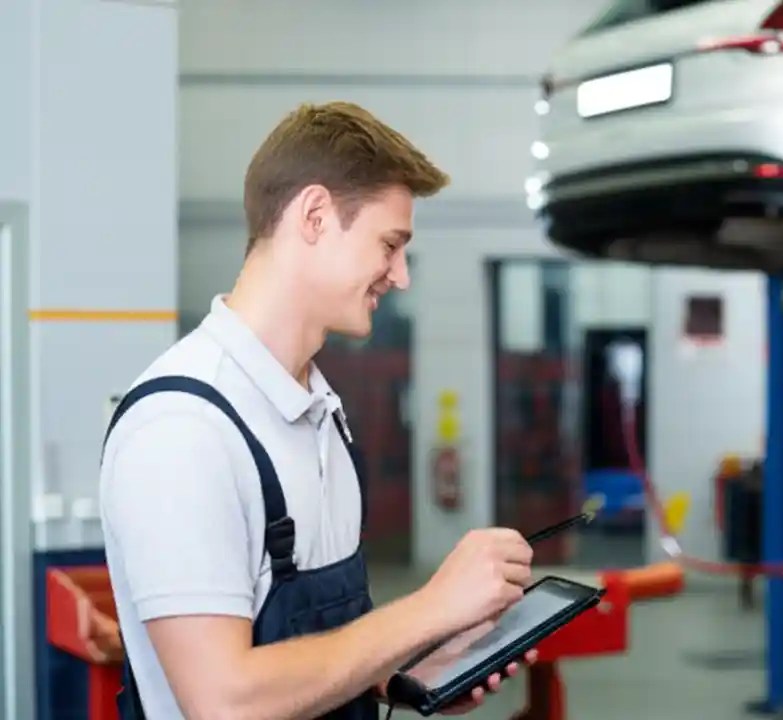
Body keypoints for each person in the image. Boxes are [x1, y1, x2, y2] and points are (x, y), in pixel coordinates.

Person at [99, 101, 535, 719]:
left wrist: (408, 673)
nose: (401, 276)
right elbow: (223, 702)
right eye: (390, 245)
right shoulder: (182, 429)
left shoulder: (322, 417)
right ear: (314, 215)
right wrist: (431, 607)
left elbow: (325, 654)